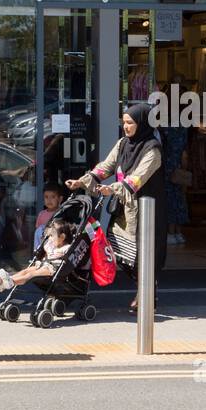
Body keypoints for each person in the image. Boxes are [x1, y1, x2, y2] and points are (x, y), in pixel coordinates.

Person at [67, 103, 166, 312]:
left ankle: (147, 293)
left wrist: (111, 189)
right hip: (125, 210)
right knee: (121, 253)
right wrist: (83, 182)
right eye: (124, 122)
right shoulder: (123, 144)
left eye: (130, 123)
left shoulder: (153, 150)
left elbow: (136, 180)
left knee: (143, 255)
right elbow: (106, 166)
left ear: (142, 123)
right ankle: (145, 289)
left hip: (145, 212)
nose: (126, 127)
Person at [0, 218, 74, 291]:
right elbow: (45, 248)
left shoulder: (66, 248)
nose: (50, 239)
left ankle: (12, 282)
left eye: (52, 236)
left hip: (52, 269)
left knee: (30, 274)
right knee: (25, 270)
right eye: (49, 236)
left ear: (62, 237)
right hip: (44, 264)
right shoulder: (51, 245)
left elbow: (68, 260)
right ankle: (4, 282)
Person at [33, 184, 63, 250]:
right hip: (43, 245)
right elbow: (38, 233)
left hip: (56, 245)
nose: (49, 200)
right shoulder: (41, 214)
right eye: (46, 197)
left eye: (53, 197)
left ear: (60, 199)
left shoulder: (61, 213)